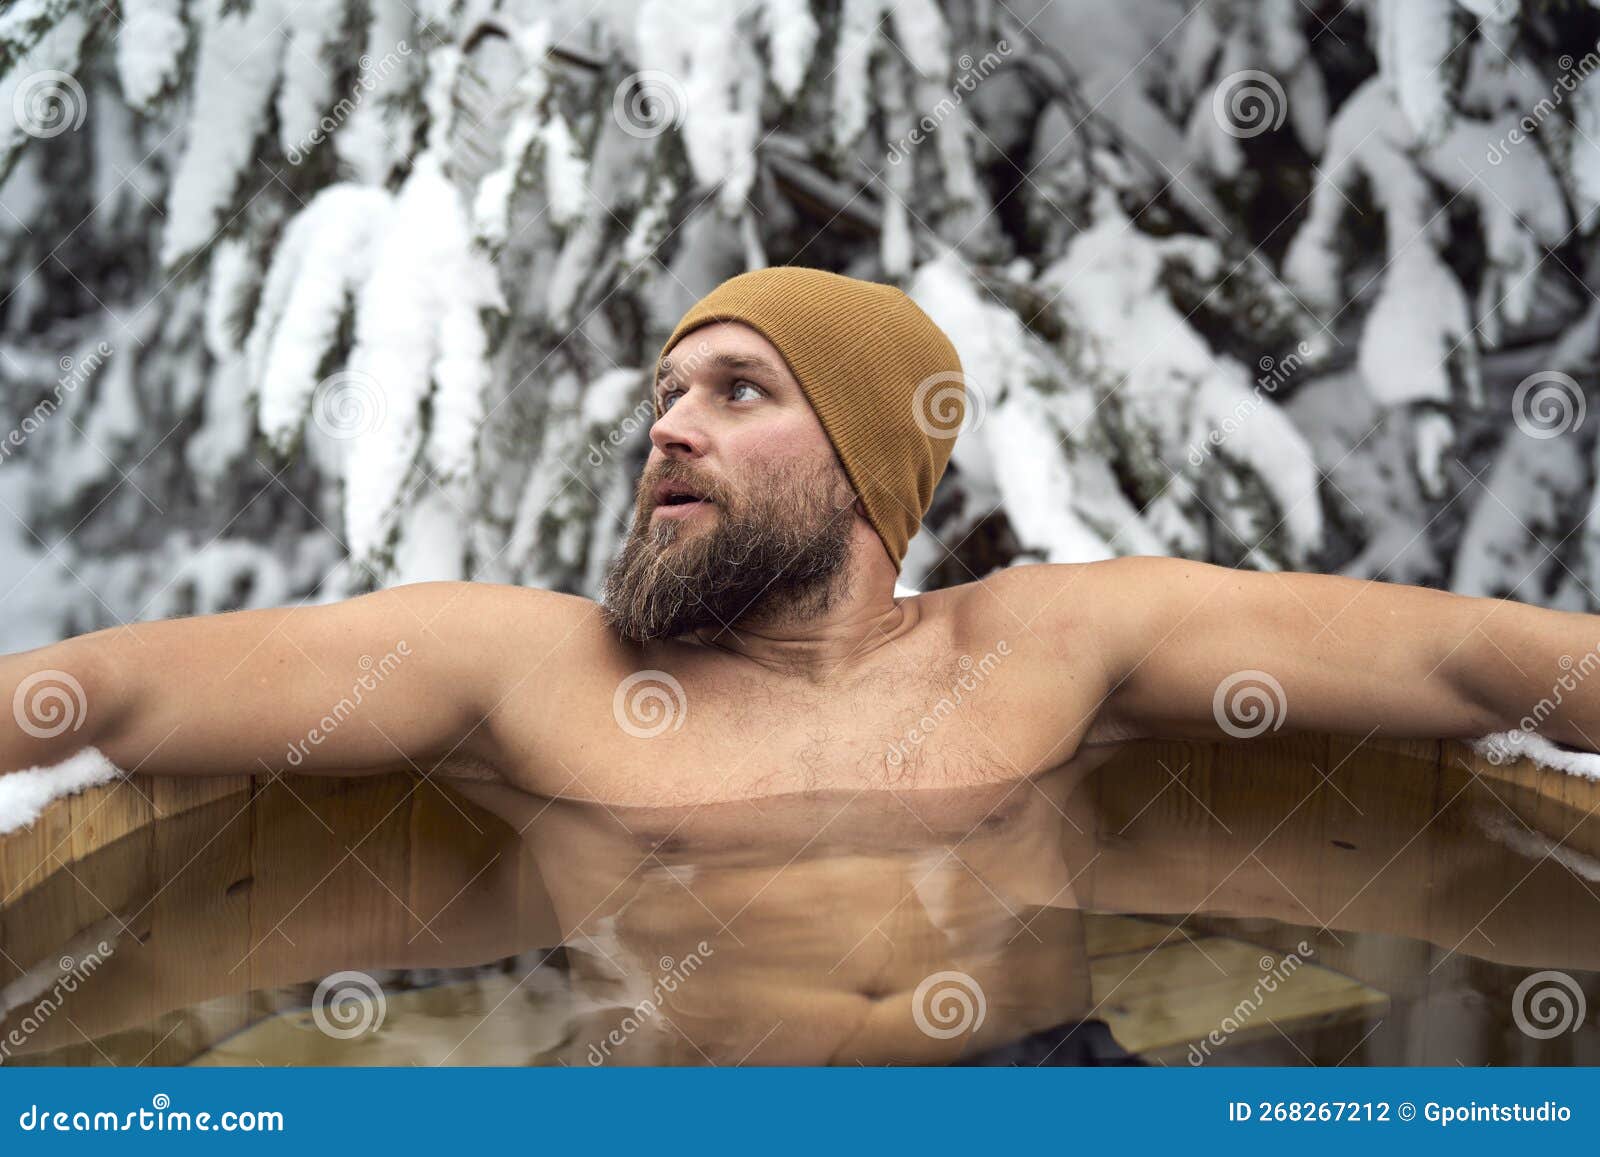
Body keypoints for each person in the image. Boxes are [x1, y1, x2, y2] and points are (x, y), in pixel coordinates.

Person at [0, 266, 1592, 1063]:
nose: (668, 428)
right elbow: (114, 698)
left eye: (738, 391)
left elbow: (1468, 667)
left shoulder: (1046, 640)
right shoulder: (528, 666)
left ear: (867, 464)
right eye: (665, 394)